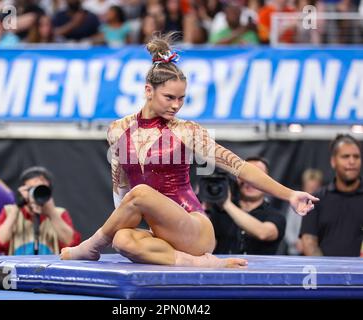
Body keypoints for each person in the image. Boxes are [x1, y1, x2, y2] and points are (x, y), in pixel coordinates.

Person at [60, 33, 318, 268]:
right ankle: (200, 263)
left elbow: (239, 166)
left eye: (182, 98)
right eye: (169, 97)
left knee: (141, 193)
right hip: (161, 234)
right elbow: (121, 187)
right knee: (122, 239)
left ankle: (90, 247)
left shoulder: (186, 131)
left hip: (194, 227)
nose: (177, 106)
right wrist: (122, 222)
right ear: (148, 91)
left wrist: (290, 194)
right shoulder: (118, 130)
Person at [0, 166, 81, 255]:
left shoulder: (59, 213)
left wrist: (52, 213)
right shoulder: (9, 211)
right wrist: (17, 207)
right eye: (31, 189)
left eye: (42, 189)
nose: (37, 193)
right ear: (22, 190)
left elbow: (72, 245)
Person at [207, 157, 287, 255]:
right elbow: (206, 245)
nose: (250, 182)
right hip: (223, 268)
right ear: (237, 179)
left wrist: (226, 204)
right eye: (245, 176)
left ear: (267, 181)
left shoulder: (276, 216)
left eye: (258, 176)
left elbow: (263, 233)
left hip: (259, 270)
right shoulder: (219, 212)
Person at [300, 134, 363, 257]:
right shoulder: (315, 199)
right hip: (327, 273)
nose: (352, 161)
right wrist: (328, 273)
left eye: (356, 157)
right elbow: (309, 241)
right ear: (333, 161)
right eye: (345, 156)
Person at [284, 168, 323, 255]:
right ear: (304, 186)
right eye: (309, 188)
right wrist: (296, 242)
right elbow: (288, 229)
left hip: (317, 252)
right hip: (296, 251)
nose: (311, 192)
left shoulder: (323, 206)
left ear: (320, 187)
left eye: (315, 188)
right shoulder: (295, 205)